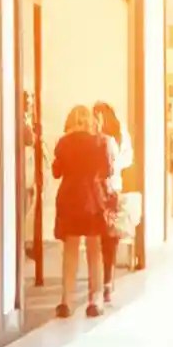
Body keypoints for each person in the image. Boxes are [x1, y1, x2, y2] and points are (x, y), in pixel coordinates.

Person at [52, 105, 112, 318]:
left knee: (70, 250)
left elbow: (56, 172)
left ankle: (66, 301)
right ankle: (95, 299)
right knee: (94, 249)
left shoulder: (63, 143)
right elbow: (107, 171)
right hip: (92, 199)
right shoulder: (99, 142)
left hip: (69, 198)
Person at [93, 102, 131, 302]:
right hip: (112, 188)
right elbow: (128, 159)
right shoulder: (118, 133)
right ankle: (107, 279)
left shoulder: (104, 138)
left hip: (103, 189)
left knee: (103, 235)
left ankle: (104, 280)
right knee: (109, 235)